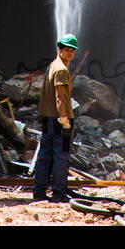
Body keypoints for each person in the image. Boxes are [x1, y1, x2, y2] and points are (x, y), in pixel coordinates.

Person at [33, 33, 77, 203]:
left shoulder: (52, 65)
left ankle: (39, 192)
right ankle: (58, 193)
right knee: (62, 156)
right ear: (59, 49)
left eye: (72, 50)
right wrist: (64, 119)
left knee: (45, 155)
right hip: (60, 120)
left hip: (48, 119)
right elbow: (59, 97)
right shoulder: (61, 70)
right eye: (67, 50)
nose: (70, 53)